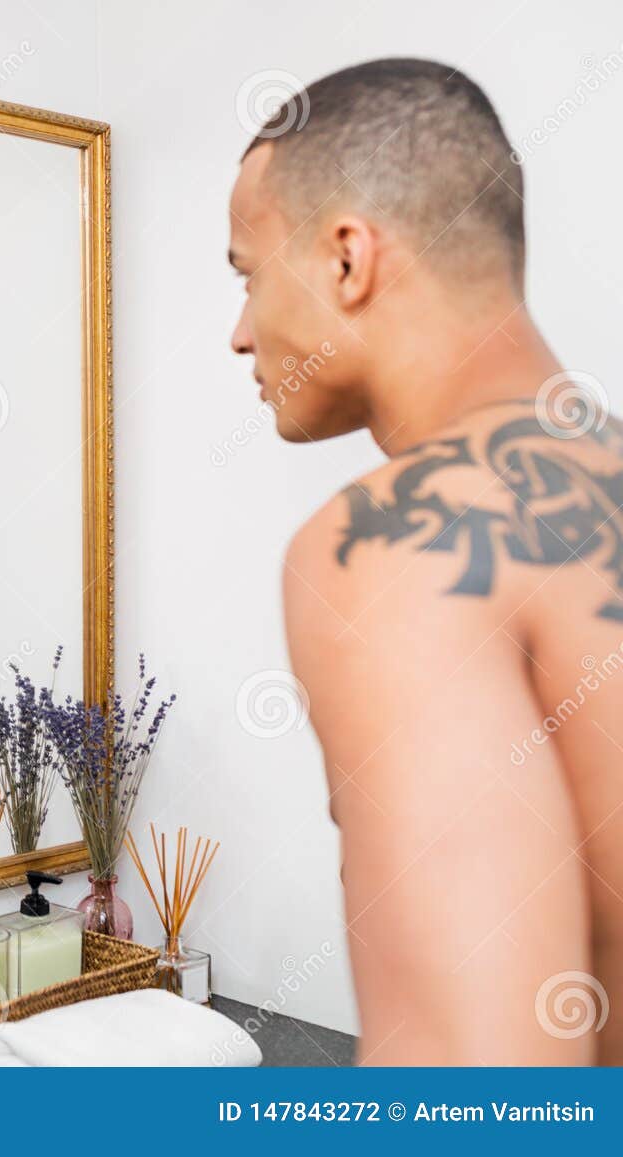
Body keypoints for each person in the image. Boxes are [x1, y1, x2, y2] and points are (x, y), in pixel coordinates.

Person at [228, 58, 620, 1063]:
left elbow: (482, 1086)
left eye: (246, 273)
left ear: (346, 259)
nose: (239, 335)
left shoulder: (403, 539)